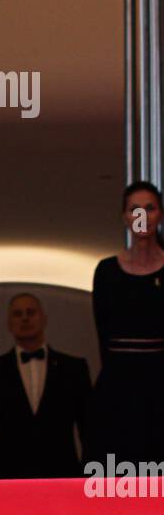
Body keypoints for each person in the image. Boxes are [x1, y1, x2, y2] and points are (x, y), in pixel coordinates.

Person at [0, 292, 91, 479]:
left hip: (64, 475)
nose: (25, 318)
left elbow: (88, 428)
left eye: (31, 312)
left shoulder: (73, 368)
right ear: (9, 324)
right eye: (18, 314)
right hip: (12, 477)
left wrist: (92, 479)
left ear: (44, 319)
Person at [90, 181, 164, 465]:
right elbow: (102, 335)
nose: (142, 216)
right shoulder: (107, 272)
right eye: (135, 210)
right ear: (125, 217)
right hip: (117, 391)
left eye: (150, 208)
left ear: (160, 215)